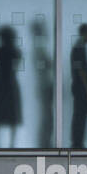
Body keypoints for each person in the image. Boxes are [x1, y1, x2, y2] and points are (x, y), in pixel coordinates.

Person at [0, 25, 22, 148]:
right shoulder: (15, 51)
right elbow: (17, 66)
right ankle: (12, 145)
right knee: (12, 117)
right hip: (10, 84)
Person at [69, 23, 87, 148]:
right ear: (85, 33)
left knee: (79, 115)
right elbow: (80, 71)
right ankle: (77, 143)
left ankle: (77, 142)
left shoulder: (79, 47)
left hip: (79, 87)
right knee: (80, 115)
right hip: (81, 88)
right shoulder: (79, 49)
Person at [30, 20, 54, 148]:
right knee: (46, 117)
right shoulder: (38, 49)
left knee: (47, 117)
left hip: (44, 86)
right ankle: (44, 144)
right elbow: (46, 65)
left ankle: (45, 143)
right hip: (44, 86)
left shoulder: (39, 48)